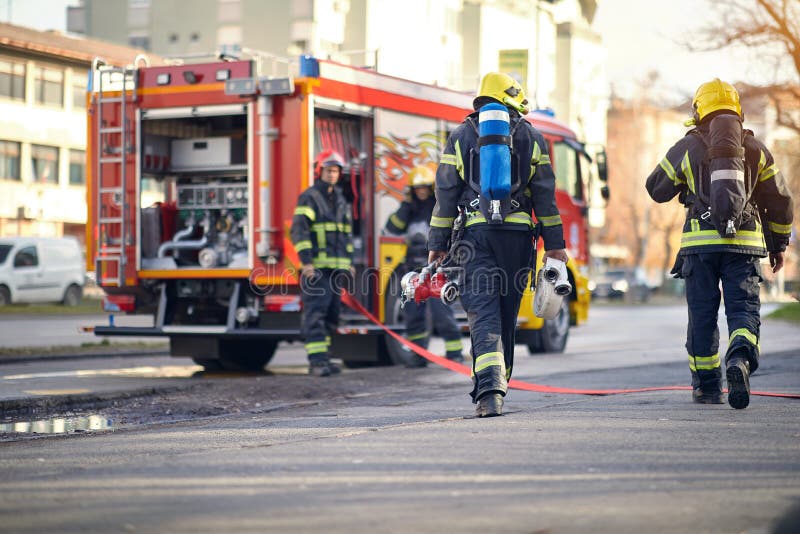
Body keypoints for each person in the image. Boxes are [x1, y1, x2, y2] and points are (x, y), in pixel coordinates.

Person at [427, 72, 568, 417]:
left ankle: (489, 391)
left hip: (475, 239)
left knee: (483, 313)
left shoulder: (460, 136)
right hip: (518, 241)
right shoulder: (533, 137)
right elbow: (545, 197)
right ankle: (499, 382)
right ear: (512, 99)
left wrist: (437, 242)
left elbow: (445, 194)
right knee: (505, 315)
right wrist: (555, 243)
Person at [646, 79, 793, 409]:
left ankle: (707, 387)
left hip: (700, 248)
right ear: (737, 109)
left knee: (702, 316)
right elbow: (782, 199)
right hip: (744, 247)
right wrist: (778, 243)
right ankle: (739, 359)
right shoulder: (755, 150)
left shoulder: (688, 148)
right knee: (742, 311)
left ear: (699, 111)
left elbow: (656, 188)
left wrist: (687, 183)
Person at [384, 166, 465, 366]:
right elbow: (391, 228)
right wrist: (405, 206)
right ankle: (418, 355)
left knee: (441, 312)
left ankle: (454, 353)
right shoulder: (408, 210)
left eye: (424, 187)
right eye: (417, 188)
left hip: (437, 268)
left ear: (430, 188)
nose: (421, 191)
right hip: (413, 268)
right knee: (413, 313)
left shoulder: (439, 207)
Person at [290, 149, 355, 377]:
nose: (332, 174)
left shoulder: (340, 198)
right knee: (315, 313)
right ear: (320, 171)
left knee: (331, 314)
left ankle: (324, 359)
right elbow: (299, 230)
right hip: (316, 269)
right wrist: (306, 263)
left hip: (336, 269)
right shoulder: (310, 197)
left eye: (336, 171)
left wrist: (349, 263)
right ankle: (316, 361)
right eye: (328, 170)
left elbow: (346, 233)